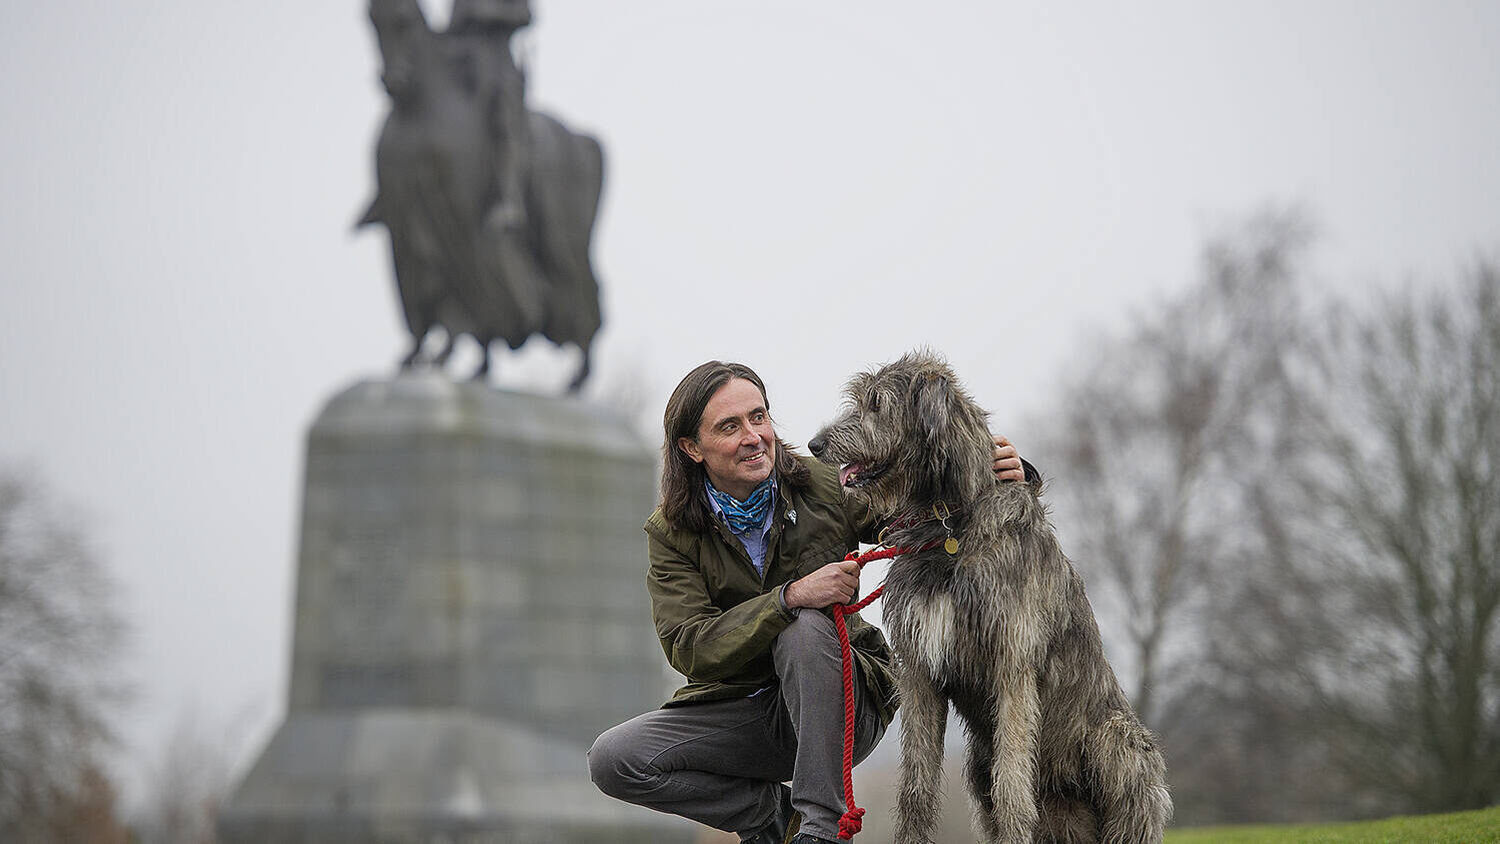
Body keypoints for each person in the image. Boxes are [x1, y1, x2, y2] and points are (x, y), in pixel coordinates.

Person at [588, 361, 1033, 844]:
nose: (754, 436)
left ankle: (821, 830)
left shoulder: (826, 486)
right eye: (730, 426)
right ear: (691, 448)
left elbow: (924, 517)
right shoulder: (670, 534)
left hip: (845, 703)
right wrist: (790, 596)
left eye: (759, 417)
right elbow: (690, 646)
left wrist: (1002, 478)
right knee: (614, 759)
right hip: (747, 710)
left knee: (803, 630)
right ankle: (772, 816)